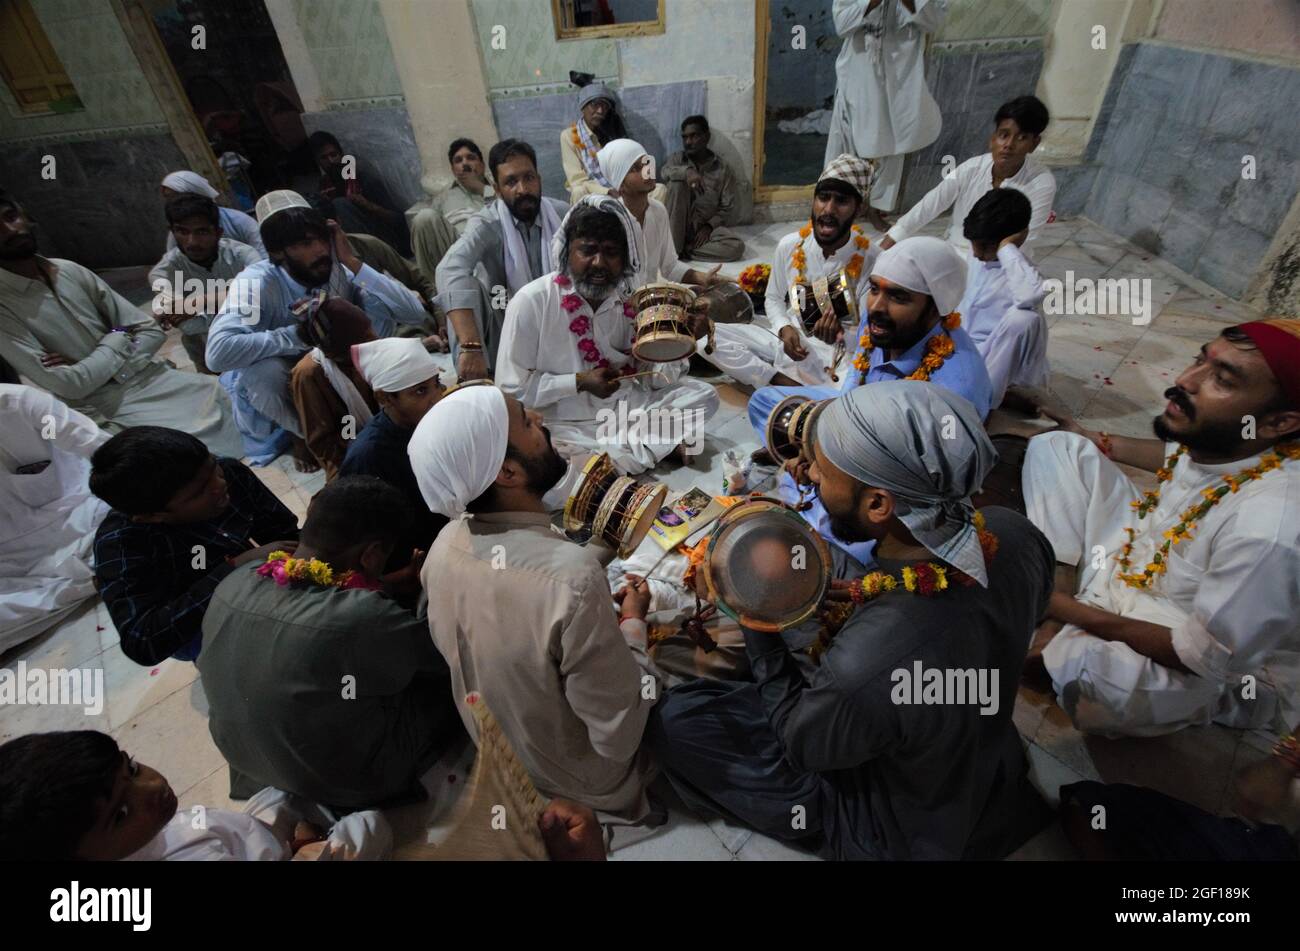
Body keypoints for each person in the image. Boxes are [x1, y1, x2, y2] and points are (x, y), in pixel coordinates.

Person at [649, 382, 1053, 859]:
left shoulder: (862, 668)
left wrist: (757, 615)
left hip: (893, 824)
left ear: (879, 504)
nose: (811, 472)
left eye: (824, 467)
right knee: (816, 565)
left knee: (676, 721)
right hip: (975, 748)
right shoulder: (1015, 533)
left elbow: (800, 744)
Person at [1023, 320, 1300, 737]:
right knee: (1059, 447)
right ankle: (1065, 600)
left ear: (1280, 423)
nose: (1186, 381)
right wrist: (1093, 439)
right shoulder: (1238, 440)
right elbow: (1176, 457)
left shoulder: (1271, 529)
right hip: (1131, 561)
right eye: (1199, 361)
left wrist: (1060, 609)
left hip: (1182, 632)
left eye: (1221, 380)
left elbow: (1201, 655)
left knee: (1111, 690)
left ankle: (1063, 616)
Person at [410, 384, 658, 822]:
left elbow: (527, 591)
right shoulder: (573, 581)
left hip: (509, 759)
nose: (540, 421)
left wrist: (597, 552)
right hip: (588, 783)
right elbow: (619, 736)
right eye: (526, 421)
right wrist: (634, 624)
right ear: (508, 473)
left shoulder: (443, 545)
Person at [198, 476, 462, 809]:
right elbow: (441, 656)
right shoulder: (362, 617)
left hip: (249, 767)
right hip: (345, 783)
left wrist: (388, 585)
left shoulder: (237, 580)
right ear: (372, 554)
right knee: (455, 675)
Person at [748, 236, 992, 565]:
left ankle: (819, 505)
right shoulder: (879, 323)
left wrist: (826, 467)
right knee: (764, 403)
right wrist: (820, 449)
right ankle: (813, 487)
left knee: (864, 548)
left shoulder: (955, 388)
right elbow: (850, 389)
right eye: (875, 288)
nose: (876, 306)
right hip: (853, 422)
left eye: (898, 296)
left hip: (890, 482)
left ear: (937, 308)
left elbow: (923, 493)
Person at [0, 191, 243, 457]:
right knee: (183, 451)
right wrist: (117, 335)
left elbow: (150, 331)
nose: (10, 230)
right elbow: (70, 384)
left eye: (10, 217)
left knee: (238, 401)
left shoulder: (68, 270)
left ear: (25, 216)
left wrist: (99, 358)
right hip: (107, 403)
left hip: (151, 376)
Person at [495, 197, 720, 474]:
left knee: (704, 395)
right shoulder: (532, 301)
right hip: (564, 426)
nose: (599, 263)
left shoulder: (633, 301)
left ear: (625, 260)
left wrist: (680, 343)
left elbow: (657, 381)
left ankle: (614, 461)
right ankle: (649, 448)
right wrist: (577, 382)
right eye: (587, 250)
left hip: (627, 413)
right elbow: (510, 391)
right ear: (567, 252)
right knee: (540, 467)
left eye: (611, 252)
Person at [205, 190, 425, 466]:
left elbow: (414, 313)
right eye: (305, 244)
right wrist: (297, 336)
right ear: (276, 252)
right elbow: (217, 353)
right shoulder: (255, 283)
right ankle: (314, 441)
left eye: (322, 238)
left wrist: (353, 263)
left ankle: (381, 415)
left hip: (343, 365)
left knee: (374, 304)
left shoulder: (337, 269)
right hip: (292, 375)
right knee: (261, 374)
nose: (320, 249)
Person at [0, 731, 390, 861]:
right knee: (373, 825)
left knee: (285, 787)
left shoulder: (149, 831)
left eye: (131, 769)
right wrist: (306, 847)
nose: (150, 789)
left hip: (246, 840)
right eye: (120, 813)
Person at [90, 426, 299, 666]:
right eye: (199, 492)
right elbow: (143, 641)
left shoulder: (228, 473)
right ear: (152, 516)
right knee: (259, 663)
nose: (219, 484)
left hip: (249, 578)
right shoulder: (121, 543)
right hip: (195, 621)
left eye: (212, 466)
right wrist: (234, 568)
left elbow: (284, 533)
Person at [704, 155, 879, 391]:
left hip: (838, 355)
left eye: (841, 201)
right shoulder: (790, 245)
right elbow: (774, 298)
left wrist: (839, 335)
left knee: (856, 388)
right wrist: (784, 328)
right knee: (704, 335)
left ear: (860, 208)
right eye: (823, 198)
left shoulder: (873, 258)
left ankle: (781, 382)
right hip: (789, 339)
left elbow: (872, 334)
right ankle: (778, 380)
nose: (828, 209)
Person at [436, 139, 569, 380]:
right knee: (466, 285)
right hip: (504, 319)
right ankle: (477, 381)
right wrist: (470, 344)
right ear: (497, 190)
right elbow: (448, 269)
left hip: (558, 319)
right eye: (511, 182)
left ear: (539, 179)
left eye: (529, 178)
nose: (523, 189)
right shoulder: (487, 223)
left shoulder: (561, 214)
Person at [0, 384, 109, 651]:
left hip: (84, 524)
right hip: (11, 567)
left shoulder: (17, 404)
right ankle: (85, 583)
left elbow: (103, 450)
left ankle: (91, 577)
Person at [825, 0, 948, 230]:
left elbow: (934, 21)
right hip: (858, 72)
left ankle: (875, 207)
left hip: (901, 75)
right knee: (846, 139)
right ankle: (836, 202)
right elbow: (841, 24)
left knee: (894, 141)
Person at [882, 96, 1056, 253]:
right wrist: (892, 239)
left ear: (1034, 144)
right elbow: (931, 203)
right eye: (1004, 135)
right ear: (992, 139)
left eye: (1021, 138)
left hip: (1002, 262)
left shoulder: (1041, 183)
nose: (1008, 145)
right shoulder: (971, 168)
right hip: (956, 250)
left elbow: (1027, 237)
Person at [341, 336, 448, 557]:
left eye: (437, 384)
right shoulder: (368, 457)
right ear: (385, 398)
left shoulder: (433, 422)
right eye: (420, 391)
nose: (437, 398)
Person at [149, 194, 262, 375]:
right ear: (172, 231)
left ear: (218, 232)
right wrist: (236, 303)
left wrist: (197, 303)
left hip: (256, 347)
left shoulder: (242, 255)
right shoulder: (163, 273)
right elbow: (188, 325)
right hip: (209, 355)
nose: (192, 242)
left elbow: (261, 291)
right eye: (183, 232)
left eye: (201, 232)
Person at [956, 187, 1049, 407]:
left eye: (984, 247)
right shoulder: (978, 259)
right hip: (967, 349)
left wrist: (1007, 248)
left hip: (997, 361)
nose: (977, 253)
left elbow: (1030, 296)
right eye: (974, 245)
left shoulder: (1022, 273)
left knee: (1023, 318)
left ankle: (988, 401)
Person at [597, 138, 729, 287]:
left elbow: (670, 266)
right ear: (620, 185)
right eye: (635, 168)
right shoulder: (611, 222)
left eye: (647, 163)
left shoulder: (658, 211)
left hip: (650, 302)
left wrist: (703, 278)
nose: (647, 171)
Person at [289, 298, 380, 481]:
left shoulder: (370, 349)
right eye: (366, 338)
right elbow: (323, 444)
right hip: (351, 453)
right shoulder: (309, 375)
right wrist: (371, 445)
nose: (375, 340)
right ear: (340, 352)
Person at [560, 82, 667, 204]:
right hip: (595, 193)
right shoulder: (570, 135)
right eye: (595, 105)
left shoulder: (613, 130)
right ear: (583, 107)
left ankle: (640, 222)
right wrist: (606, 191)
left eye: (605, 106)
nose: (600, 111)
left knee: (659, 189)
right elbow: (577, 181)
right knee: (578, 191)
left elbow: (632, 166)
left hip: (622, 188)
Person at [308, 130, 411, 256]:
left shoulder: (363, 179)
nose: (331, 161)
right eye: (324, 158)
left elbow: (398, 219)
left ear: (341, 154)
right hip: (347, 246)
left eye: (333, 155)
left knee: (340, 204)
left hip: (381, 243)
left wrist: (367, 205)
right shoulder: (324, 186)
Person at [410, 137, 494, 287]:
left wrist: (480, 188)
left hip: (488, 247)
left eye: (470, 158)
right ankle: (436, 292)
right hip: (454, 247)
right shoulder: (444, 197)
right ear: (453, 169)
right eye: (458, 160)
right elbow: (428, 233)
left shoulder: (496, 189)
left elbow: (507, 214)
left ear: (481, 165)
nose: (465, 163)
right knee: (424, 218)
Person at [660, 116, 744, 262]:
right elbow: (664, 172)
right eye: (685, 137)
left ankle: (686, 250)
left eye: (694, 136)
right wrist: (686, 172)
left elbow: (727, 207)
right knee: (677, 183)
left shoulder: (722, 169)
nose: (688, 142)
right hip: (676, 223)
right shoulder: (678, 159)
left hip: (702, 228)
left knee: (736, 247)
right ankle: (673, 252)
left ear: (706, 137)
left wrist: (709, 226)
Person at [160, 170, 266, 258]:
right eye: (168, 198)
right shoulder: (177, 233)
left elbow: (263, 256)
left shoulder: (240, 221)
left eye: (175, 197)